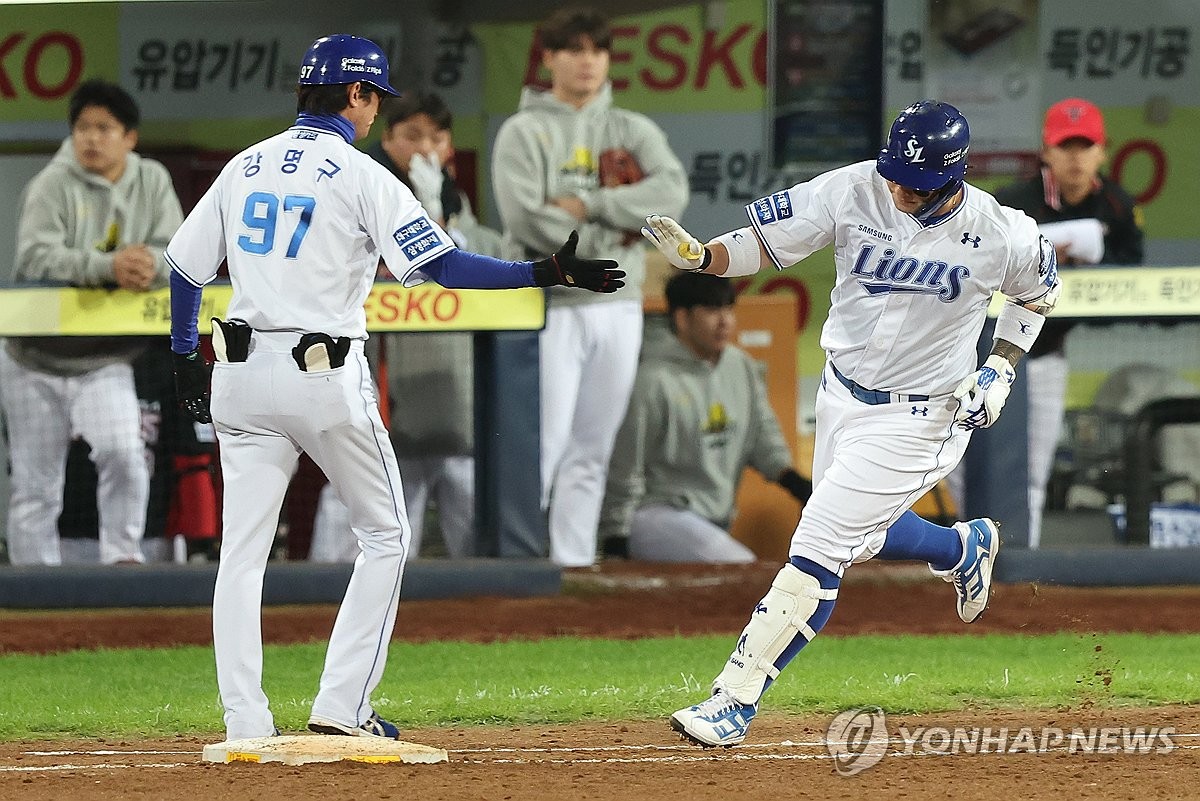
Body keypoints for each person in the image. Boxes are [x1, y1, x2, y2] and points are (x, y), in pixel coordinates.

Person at [164, 34, 624, 742]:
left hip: (240, 374)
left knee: (242, 555)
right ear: (353, 94)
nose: (376, 110)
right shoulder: (360, 173)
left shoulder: (244, 165)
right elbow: (441, 263)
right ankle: (342, 705)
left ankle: (245, 723)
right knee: (385, 533)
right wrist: (542, 272)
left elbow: (185, 269)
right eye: (374, 95)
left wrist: (182, 351)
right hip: (321, 376)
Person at [641, 100, 1061, 747]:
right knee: (860, 536)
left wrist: (999, 367)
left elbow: (1038, 294)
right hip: (842, 394)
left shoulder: (1002, 231)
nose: (896, 188)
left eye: (912, 183)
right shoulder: (855, 187)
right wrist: (704, 257)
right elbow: (762, 241)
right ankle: (961, 548)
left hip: (924, 414)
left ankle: (733, 699)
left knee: (821, 541)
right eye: (894, 173)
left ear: (951, 179)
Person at [492, 7, 689, 568]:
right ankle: (523, 561)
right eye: (574, 50)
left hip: (618, 305)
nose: (587, 61)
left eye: (597, 51)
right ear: (549, 57)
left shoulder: (632, 128)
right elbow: (528, 219)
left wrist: (592, 204)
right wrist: (619, 234)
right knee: (545, 443)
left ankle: (572, 563)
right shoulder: (523, 131)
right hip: (551, 304)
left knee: (593, 448)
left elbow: (671, 194)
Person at [310, 91, 501, 561]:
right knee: (366, 488)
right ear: (388, 139)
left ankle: (482, 610)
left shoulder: (453, 195)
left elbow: (486, 252)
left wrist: (444, 219)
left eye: (437, 137)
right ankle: (326, 593)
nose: (425, 148)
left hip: (449, 375)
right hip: (375, 361)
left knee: (465, 496)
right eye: (411, 136)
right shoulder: (359, 181)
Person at [0, 79, 183, 566]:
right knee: (36, 484)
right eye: (83, 127)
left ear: (130, 137)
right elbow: (34, 256)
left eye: (105, 128)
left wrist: (152, 265)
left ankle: (123, 560)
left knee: (124, 452)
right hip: (32, 357)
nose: (91, 138)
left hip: (104, 357)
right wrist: (108, 267)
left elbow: (177, 248)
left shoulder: (152, 180)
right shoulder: (51, 184)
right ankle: (33, 592)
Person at [993, 98, 1144, 548]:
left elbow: (1134, 270)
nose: (1075, 158)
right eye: (1065, 146)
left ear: (1103, 150)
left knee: (1035, 473)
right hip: (983, 348)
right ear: (1046, 151)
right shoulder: (1012, 202)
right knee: (966, 466)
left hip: (1046, 352)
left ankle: (1022, 572)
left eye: (1085, 146)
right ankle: (975, 558)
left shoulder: (1116, 204)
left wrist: (1083, 268)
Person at [599, 272, 811, 563]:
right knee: (740, 567)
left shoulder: (740, 365)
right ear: (682, 319)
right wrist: (616, 536)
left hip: (710, 520)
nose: (725, 321)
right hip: (652, 515)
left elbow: (762, 436)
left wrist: (797, 484)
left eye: (728, 309)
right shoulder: (652, 380)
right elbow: (625, 464)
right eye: (712, 311)